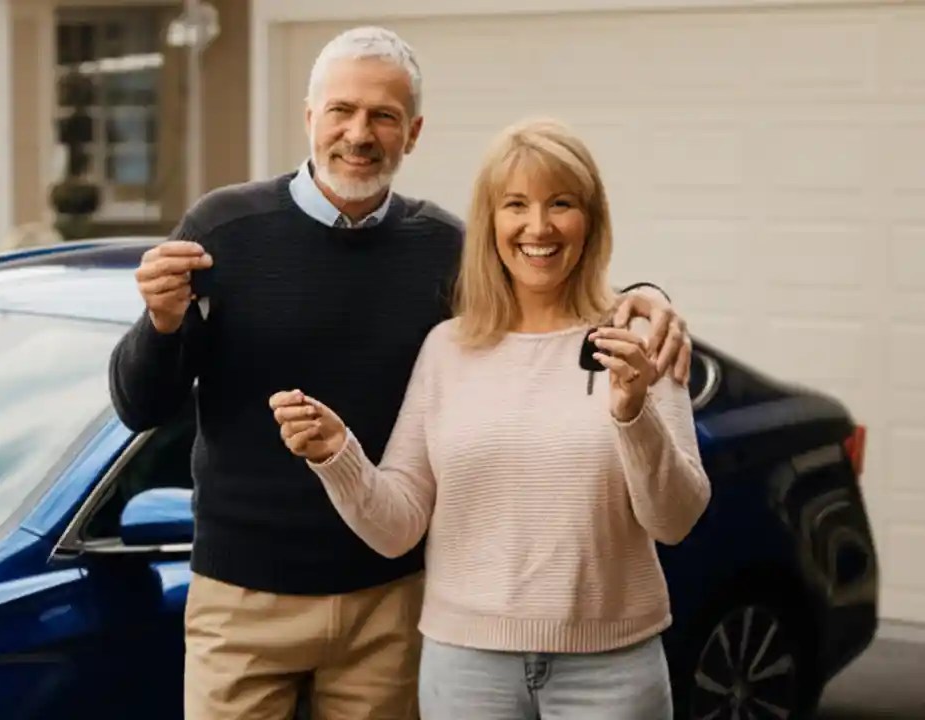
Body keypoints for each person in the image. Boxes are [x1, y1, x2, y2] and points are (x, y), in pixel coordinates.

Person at [109, 27, 693, 720]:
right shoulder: (223, 229)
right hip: (245, 595)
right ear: (310, 116)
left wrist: (643, 299)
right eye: (342, 110)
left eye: (383, 116)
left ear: (412, 133)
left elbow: (541, 309)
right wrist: (161, 324)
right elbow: (141, 405)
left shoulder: (445, 250)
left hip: (388, 602)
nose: (360, 134)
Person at [270, 116, 711, 719]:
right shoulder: (448, 349)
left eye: (561, 203)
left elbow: (675, 521)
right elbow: (397, 528)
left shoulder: (639, 338)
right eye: (516, 205)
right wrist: (336, 454)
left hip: (611, 669)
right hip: (466, 671)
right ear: (490, 223)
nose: (539, 226)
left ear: (592, 220)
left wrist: (634, 416)